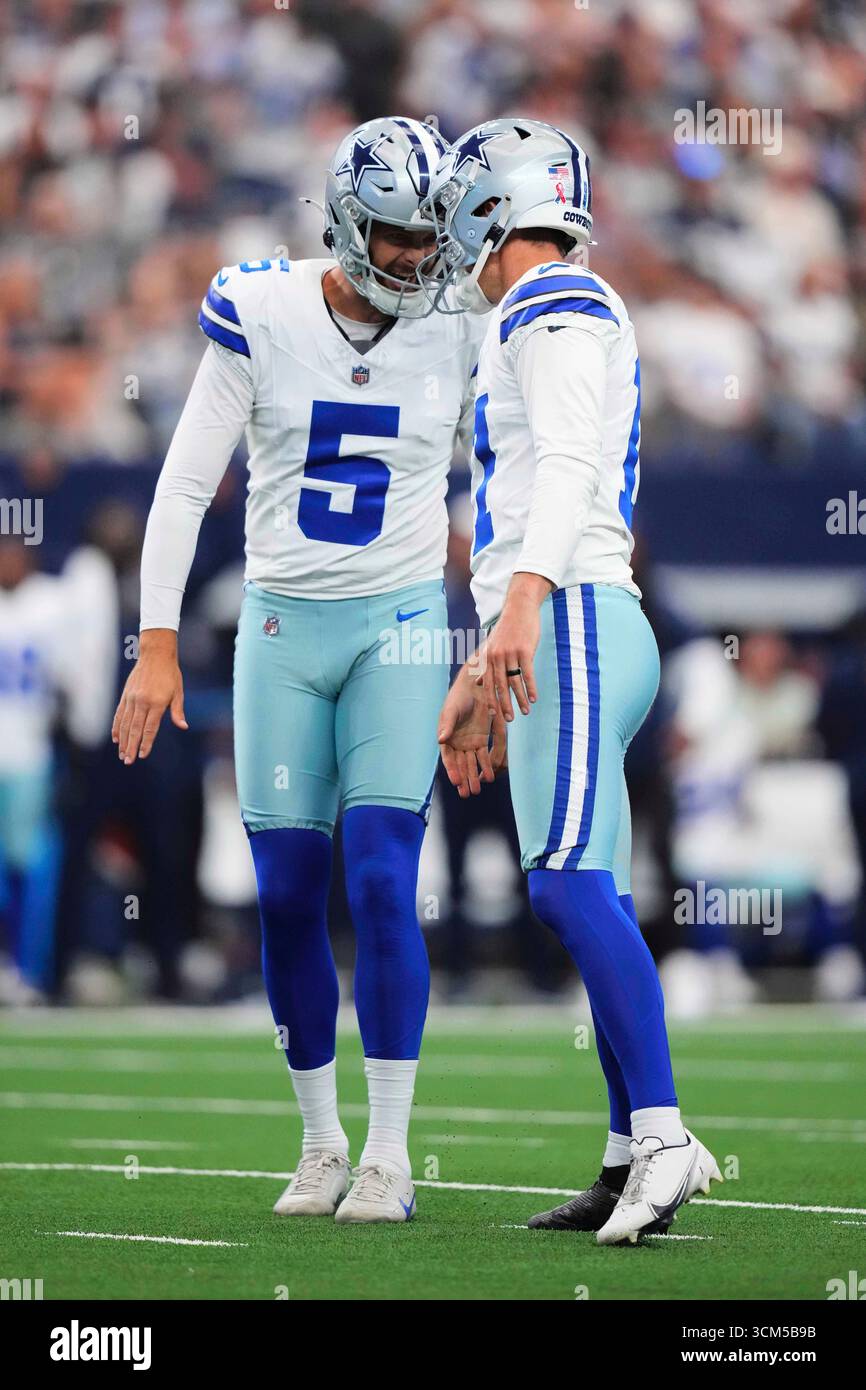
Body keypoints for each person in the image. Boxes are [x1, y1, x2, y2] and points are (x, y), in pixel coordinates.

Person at [112, 117, 486, 1225]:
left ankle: (388, 1149)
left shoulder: (466, 321)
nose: (415, 257)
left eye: (428, 236)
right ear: (339, 217)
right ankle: (318, 1140)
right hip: (281, 623)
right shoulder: (262, 309)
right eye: (392, 234)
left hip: (404, 626)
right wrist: (157, 638)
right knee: (282, 895)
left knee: (377, 878)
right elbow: (184, 485)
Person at [432, 118, 721, 1244]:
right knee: (582, 883)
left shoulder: (551, 300)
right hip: (566, 618)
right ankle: (621, 1150)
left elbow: (562, 467)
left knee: (558, 885)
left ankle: (661, 1135)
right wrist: (483, 652)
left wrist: (515, 614)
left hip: (577, 618)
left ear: (496, 203)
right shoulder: (548, 305)